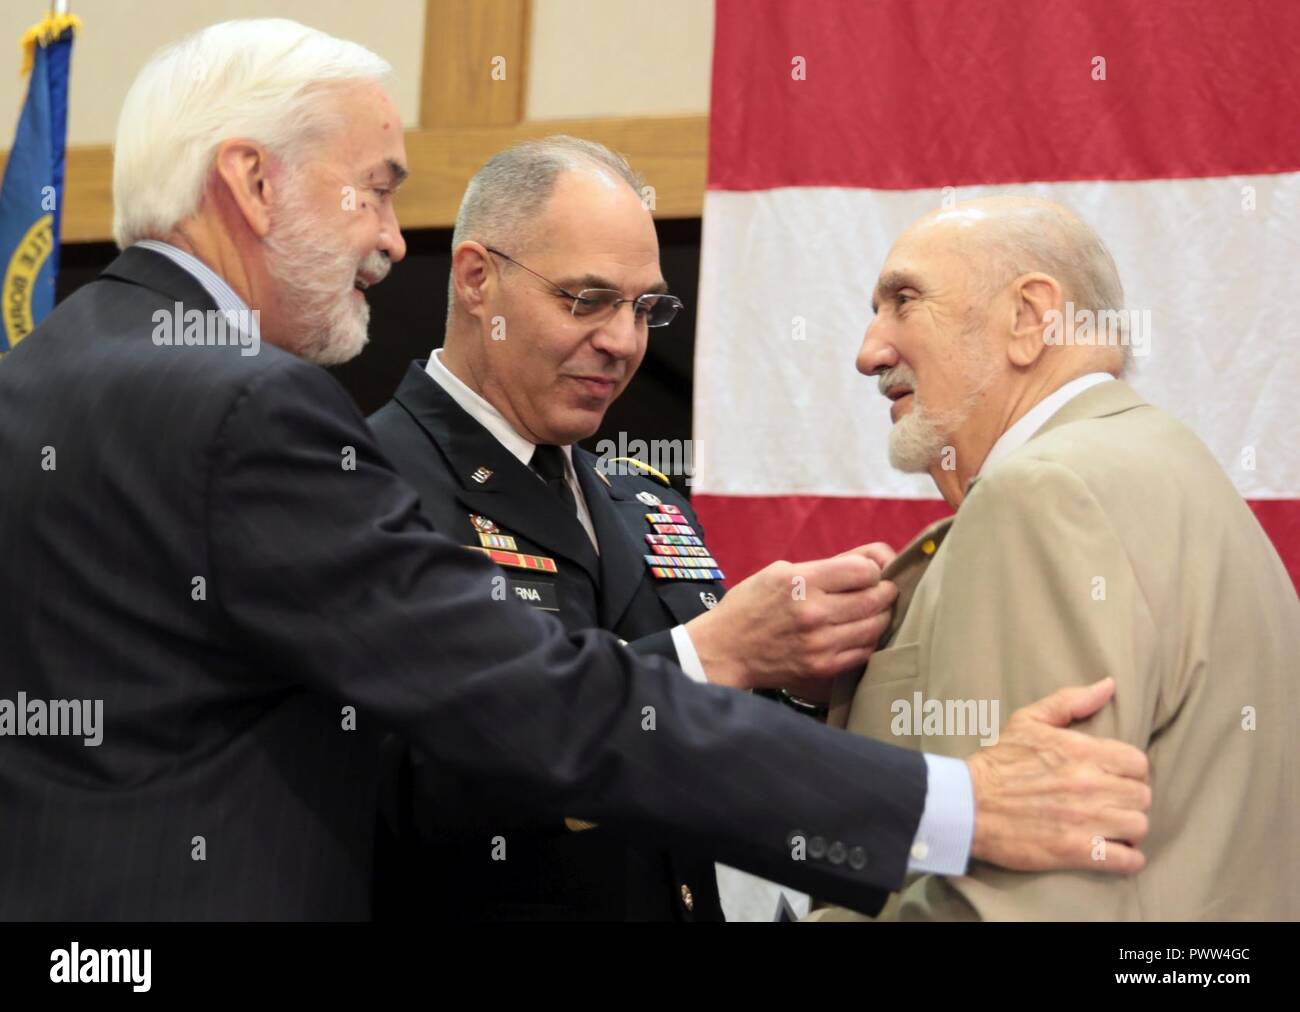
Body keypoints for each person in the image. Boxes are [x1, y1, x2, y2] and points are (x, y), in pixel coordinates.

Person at [0, 21, 1150, 920]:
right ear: (251, 183)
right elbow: (530, 710)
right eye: (381, 184)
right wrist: (954, 805)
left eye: (640, 307)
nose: (396, 238)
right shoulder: (256, 409)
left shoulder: (39, 377)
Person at [368, 136, 897, 921]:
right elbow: (405, 780)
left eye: (646, 307)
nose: (623, 342)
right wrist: (710, 655)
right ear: (478, 280)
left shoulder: (643, 499)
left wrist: (799, 680)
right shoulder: (369, 480)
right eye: (586, 299)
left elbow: (716, 751)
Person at [814, 196, 1299, 920]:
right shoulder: (1169, 468)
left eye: (904, 301)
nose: (869, 351)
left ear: (1032, 317)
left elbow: (1020, 900)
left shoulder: (1042, 494)